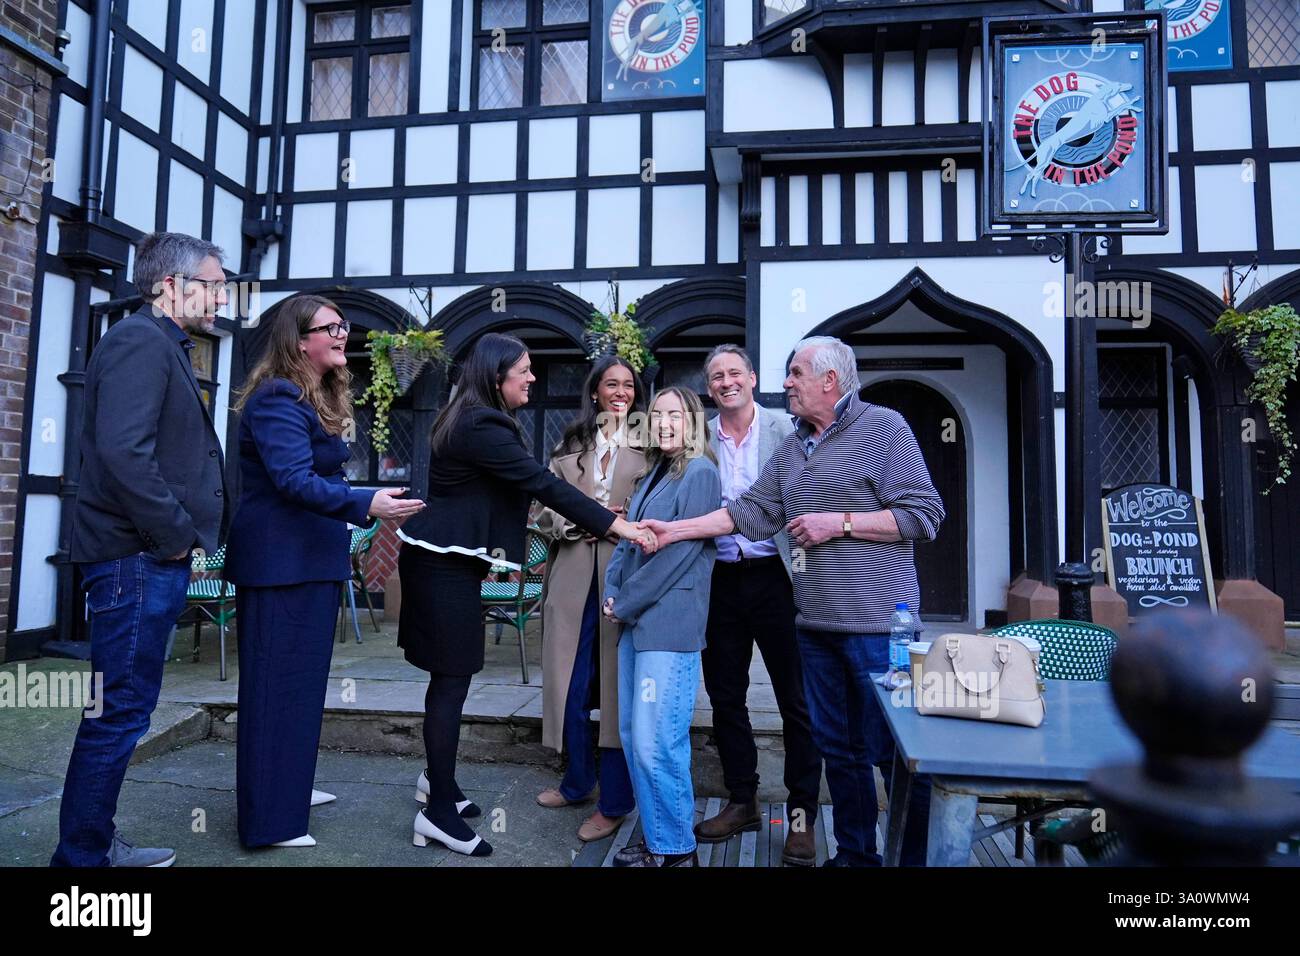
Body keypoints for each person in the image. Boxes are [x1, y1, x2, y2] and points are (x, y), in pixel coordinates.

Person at [642, 336, 945, 867]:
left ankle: (915, 858)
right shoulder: (797, 445)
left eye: (796, 373)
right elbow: (748, 512)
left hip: (877, 626)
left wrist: (840, 523)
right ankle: (855, 855)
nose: (787, 383)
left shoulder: (883, 427)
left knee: (892, 752)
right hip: (816, 623)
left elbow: (924, 515)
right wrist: (671, 530)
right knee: (841, 752)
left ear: (830, 380)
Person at [396, 333, 655, 857]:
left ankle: (437, 783)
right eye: (525, 371)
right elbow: (544, 485)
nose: (533, 378)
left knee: (449, 682)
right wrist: (616, 527)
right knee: (451, 683)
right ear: (497, 378)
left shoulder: (466, 416)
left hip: (441, 563)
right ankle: (438, 814)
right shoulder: (483, 423)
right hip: (443, 569)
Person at [53, 232, 231, 867]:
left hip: (143, 557)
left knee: (122, 709)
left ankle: (89, 846)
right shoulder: (137, 340)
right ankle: (81, 864)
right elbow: (125, 454)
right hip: (135, 558)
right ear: (168, 285)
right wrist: (176, 538)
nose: (222, 294)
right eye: (212, 282)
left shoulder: (164, 343)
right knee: (118, 713)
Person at [224, 295, 424, 849]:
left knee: (300, 688)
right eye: (329, 327)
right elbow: (292, 480)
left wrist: (361, 501)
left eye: (344, 326)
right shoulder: (276, 398)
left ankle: (286, 787)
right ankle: (270, 821)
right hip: (278, 567)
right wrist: (369, 503)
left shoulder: (309, 399)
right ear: (298, 340)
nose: (341, 334)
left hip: (307, 563)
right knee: (274, 690)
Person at [694, 344, 823, 866]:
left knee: (797, 700)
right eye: (716, 376)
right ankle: (742, 799)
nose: (726, 382)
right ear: (709, 388)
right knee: (726, 696)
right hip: (717, 579)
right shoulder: (697, 436)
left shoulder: (785, 431)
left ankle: (802, 818)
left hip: (779, 578)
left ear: (751, 378)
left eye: (734, 373)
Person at [603, 387, 721, 868]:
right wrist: (613, 587)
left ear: (693, 421)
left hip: (668, 627)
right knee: (635, 738)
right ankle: (657, 838)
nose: (665, 423)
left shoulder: (701, 472)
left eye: (675, 415)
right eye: (657, 415)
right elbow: (627, 542)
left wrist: (625, 602)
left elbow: (679, 553)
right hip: (635, 622)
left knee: (658, 742)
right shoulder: (653, 472)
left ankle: (675, 851)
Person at [533, 356, 645, 843]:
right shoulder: (569, 444)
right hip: (573, 578)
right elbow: (539, 508)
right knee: (572, 686)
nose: (620, 392)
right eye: (610, 385)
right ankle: (577, 781)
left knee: (618, 692)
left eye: (628, 386)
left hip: (626, 579)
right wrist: (580, 518)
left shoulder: (652, 445)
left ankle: (616, 799)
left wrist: (625, 517)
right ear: (595, 392)